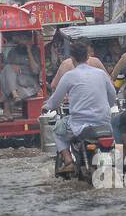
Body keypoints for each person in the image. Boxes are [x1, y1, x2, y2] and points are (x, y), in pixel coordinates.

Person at [42, 41, 117, 173]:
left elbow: (55, 100)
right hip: (104, 122)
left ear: (72, 58)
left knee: (58, 130)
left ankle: (68, 161)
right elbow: (112, 94)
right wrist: (107, 106)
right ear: (88, 56)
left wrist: (46, 107)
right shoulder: (101, 74)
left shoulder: (69, 76)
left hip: (80, 124)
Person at [0, 32, 42, 117]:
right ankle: (15, 95)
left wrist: (29, 51)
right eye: (21, 39)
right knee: (6, 70)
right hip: (15, 82)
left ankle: (7, 111)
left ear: (29, 40)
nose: (23, 42)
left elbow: (35, 70)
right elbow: (6, 69)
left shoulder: (35, 50)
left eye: (25, 39)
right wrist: (13, 66)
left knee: (6, 77)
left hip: (29, 83)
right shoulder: (13, 51)